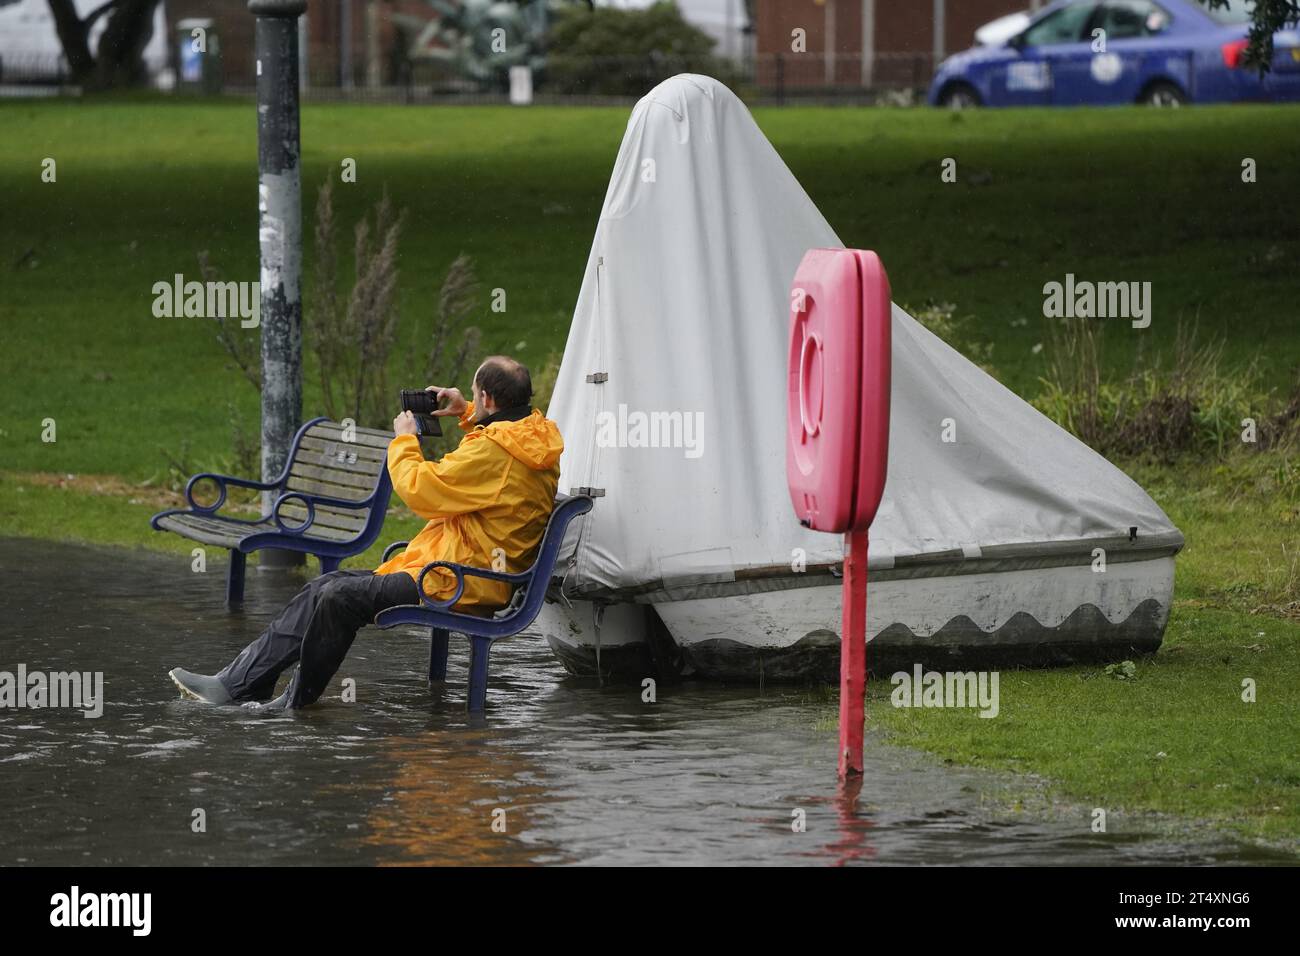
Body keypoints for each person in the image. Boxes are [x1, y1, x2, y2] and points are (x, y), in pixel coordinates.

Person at [167, 355, 563, 713]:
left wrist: (405, 439)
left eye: (477, 396)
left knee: (339, 598)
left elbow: (422, 492)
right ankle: (238, 684)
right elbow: (492, 460)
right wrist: (467, 411)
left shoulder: (496, 453)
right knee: (326, 584)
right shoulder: (532, 435)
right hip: (461, 571)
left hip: (461, 581)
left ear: (490, 399)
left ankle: (294, 703)